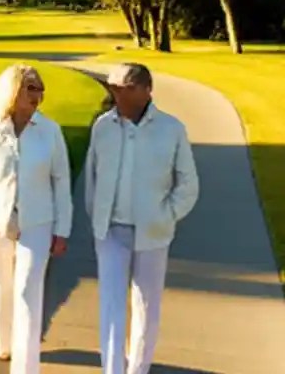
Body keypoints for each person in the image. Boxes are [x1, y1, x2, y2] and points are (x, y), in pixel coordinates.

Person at [84, 63, 199, 374]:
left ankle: (138, 369)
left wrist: (168, 215)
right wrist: (96, 214)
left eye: (125, 88)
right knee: (111, 305)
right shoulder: (102, 126)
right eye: (113, 88)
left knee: (146, 306)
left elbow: (188, 184)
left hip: (153, 232)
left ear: (147, 90)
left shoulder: (171, 128)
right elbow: (92, 176)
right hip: (110, 231)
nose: (116, 94)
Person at [0, 63, 73, 372]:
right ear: (12, 90)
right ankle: (5, 343)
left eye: (40, 88)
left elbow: (62, 180)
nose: (38, 95)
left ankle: (25, 366)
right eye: (31, 88)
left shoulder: (50, 131)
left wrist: (62, 229)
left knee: (27, 290)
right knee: (1, 286)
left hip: (38, 222)